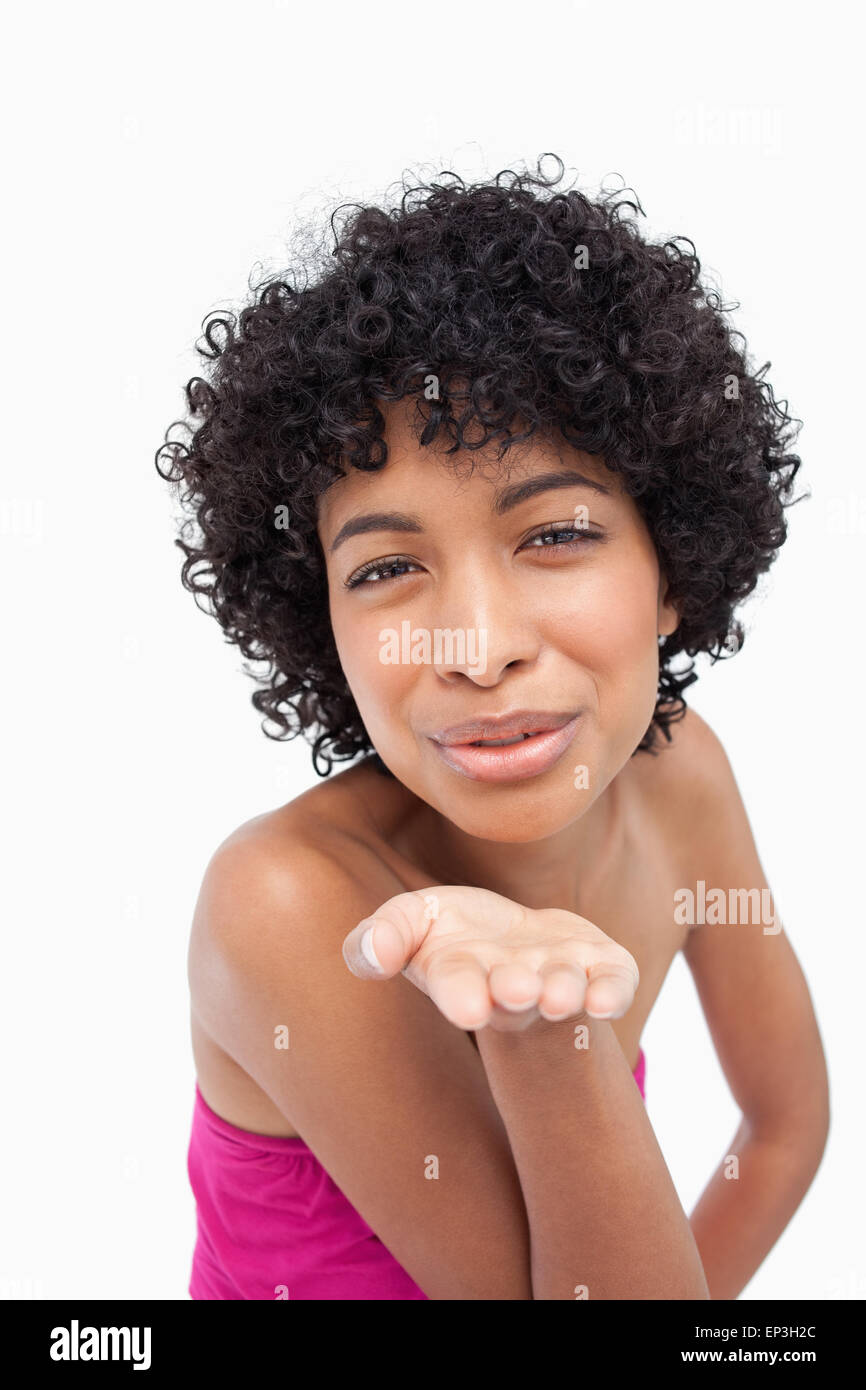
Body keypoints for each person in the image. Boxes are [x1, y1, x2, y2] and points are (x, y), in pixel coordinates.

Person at [156, 154, 829, 1300]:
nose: (474, 647)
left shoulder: (683, 779)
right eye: (386, 566)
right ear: (318, 618)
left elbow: (776, 1129)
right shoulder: (284, 902)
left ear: (672, 569)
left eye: (554, 534)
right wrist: (536, 1021)